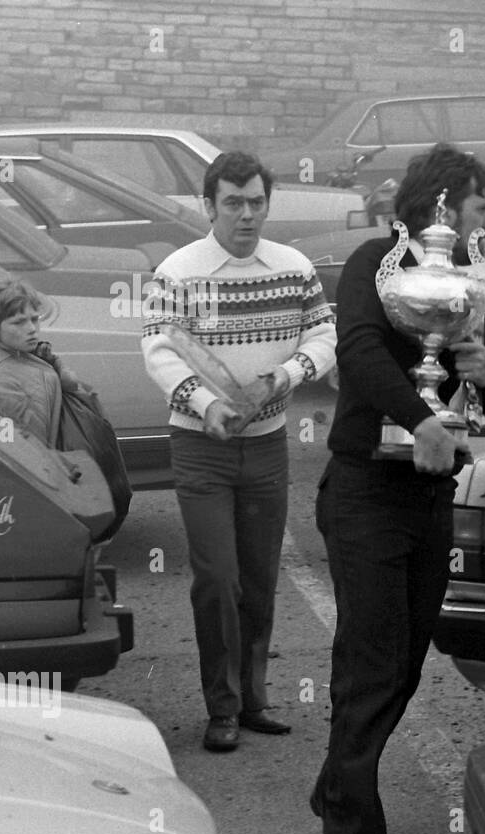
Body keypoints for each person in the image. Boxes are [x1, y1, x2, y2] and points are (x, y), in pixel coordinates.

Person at [310, 143, 485, 834]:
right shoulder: (375, 265)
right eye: (480, 204)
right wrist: (422, 420)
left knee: (402, 666)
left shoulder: (465, 284)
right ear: (443, 204)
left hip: (429, 499)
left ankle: (336, 785)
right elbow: (362, 354)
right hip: (366, 492)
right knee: (368, 668)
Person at [141, 151, 337, 753]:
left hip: (268, 448)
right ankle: (220, 707)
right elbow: (158, 346)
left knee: (257, 577)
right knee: (217, 579)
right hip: (201, 449)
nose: (247, 214)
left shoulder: (294, 266)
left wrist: (281, 379)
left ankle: (253, 699)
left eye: (256, 202)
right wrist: (208, 404)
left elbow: (324, 333)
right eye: (233, 202)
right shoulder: (178, 271)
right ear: (209, 205)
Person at [0, 278, 83, 446]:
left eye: (34, 319)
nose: (31, 329)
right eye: (19, 322)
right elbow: (22, 451)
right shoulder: (6, 385)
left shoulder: (9, 357)